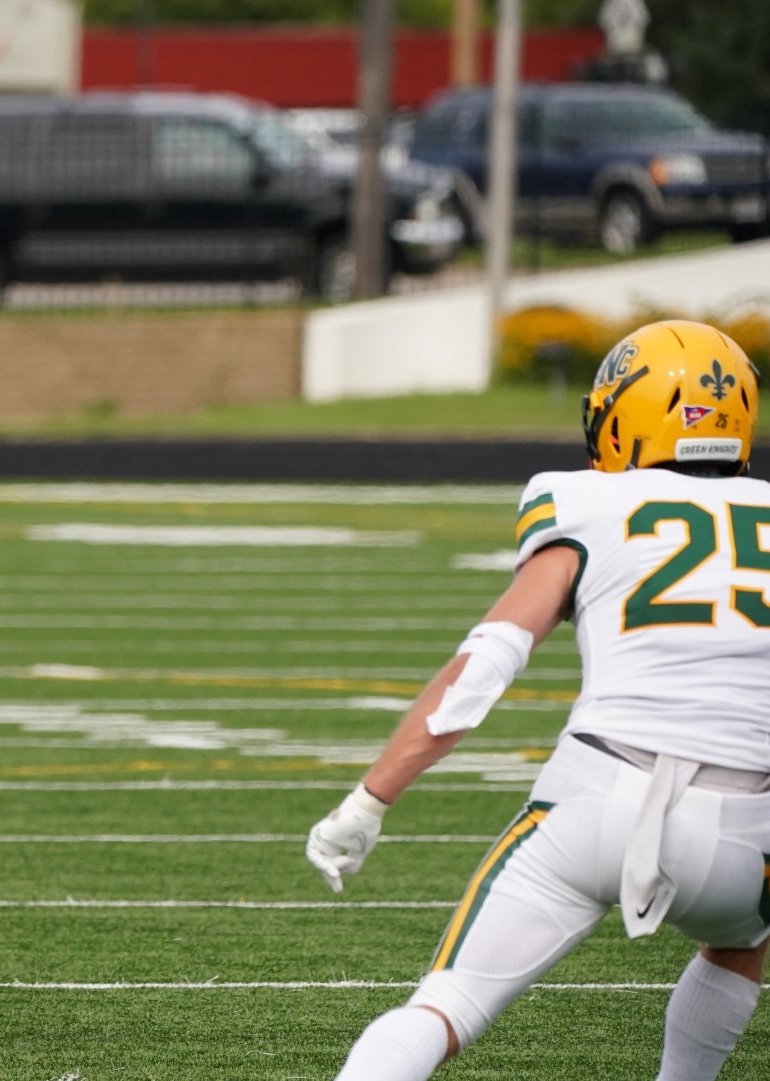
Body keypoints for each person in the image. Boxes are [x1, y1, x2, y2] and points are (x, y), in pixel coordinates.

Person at [306, 320, 770, 1081]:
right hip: (747, 836)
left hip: (597, 798)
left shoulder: (585, 503)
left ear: (625, 416)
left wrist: (368, 800)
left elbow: (487, 666)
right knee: (741, 938)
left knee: (442, 1005)